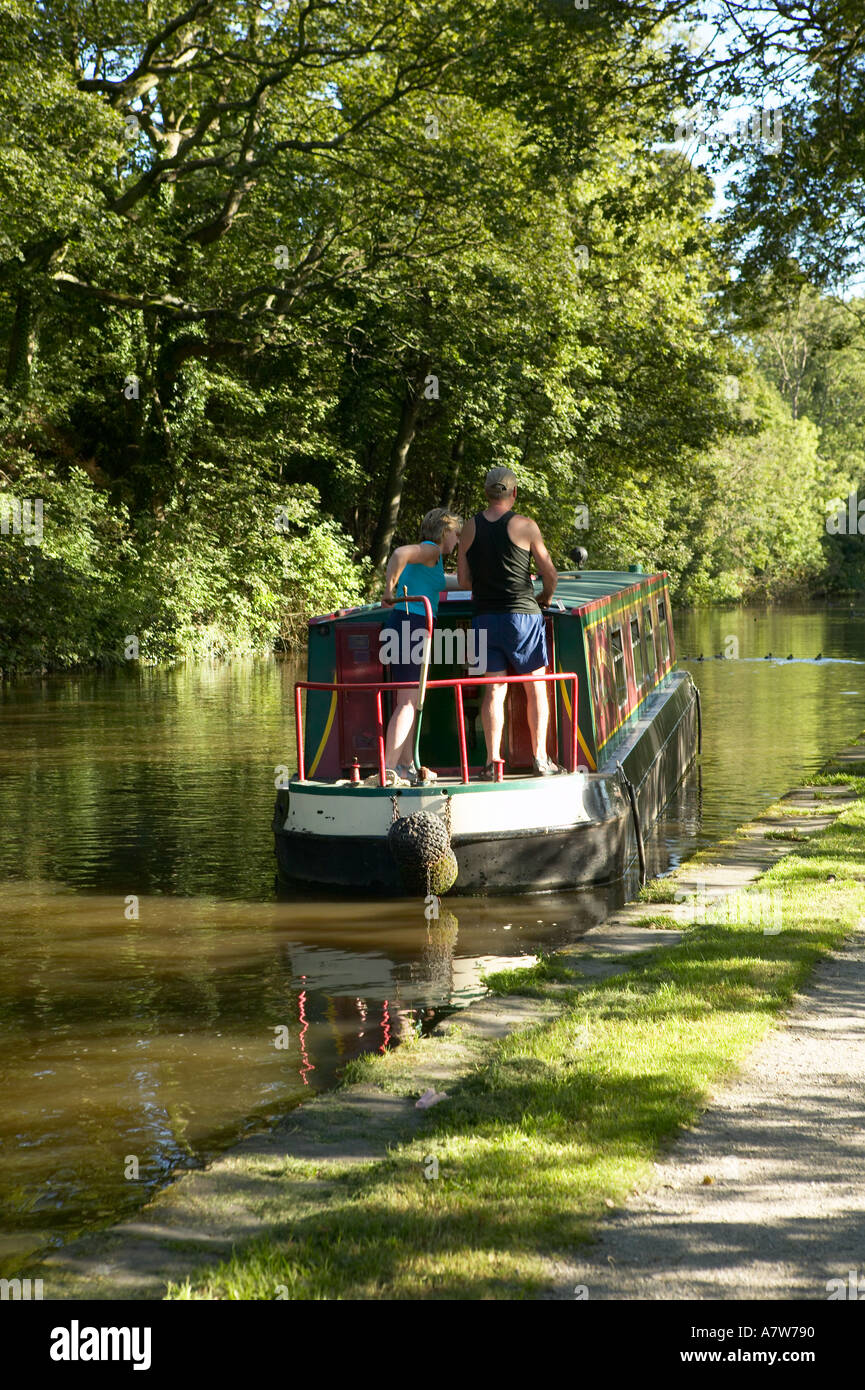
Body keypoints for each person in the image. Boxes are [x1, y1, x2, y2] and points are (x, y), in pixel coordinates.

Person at [457, 467, 560, 777]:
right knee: (535, 687)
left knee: (494, 689)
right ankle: (540, 759)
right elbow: (550, 573)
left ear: (486, 493)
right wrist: (545, 597)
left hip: (485, 618)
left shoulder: (469, 528)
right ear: (514, 494)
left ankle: (492, 762)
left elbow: (464, 582)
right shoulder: (525, 526)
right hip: (522, 617)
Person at [379, 508, 462, 785]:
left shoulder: (433, 561)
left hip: (409, 625)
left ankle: (405, 766)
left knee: (412, 700)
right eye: (456, 534)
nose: (458, 540)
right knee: (407, 702)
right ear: (444, 532)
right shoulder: (431, 551)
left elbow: (446, 583)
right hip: (409, 624)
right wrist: (389, 590)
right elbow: (400, 554)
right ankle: (389, 770)